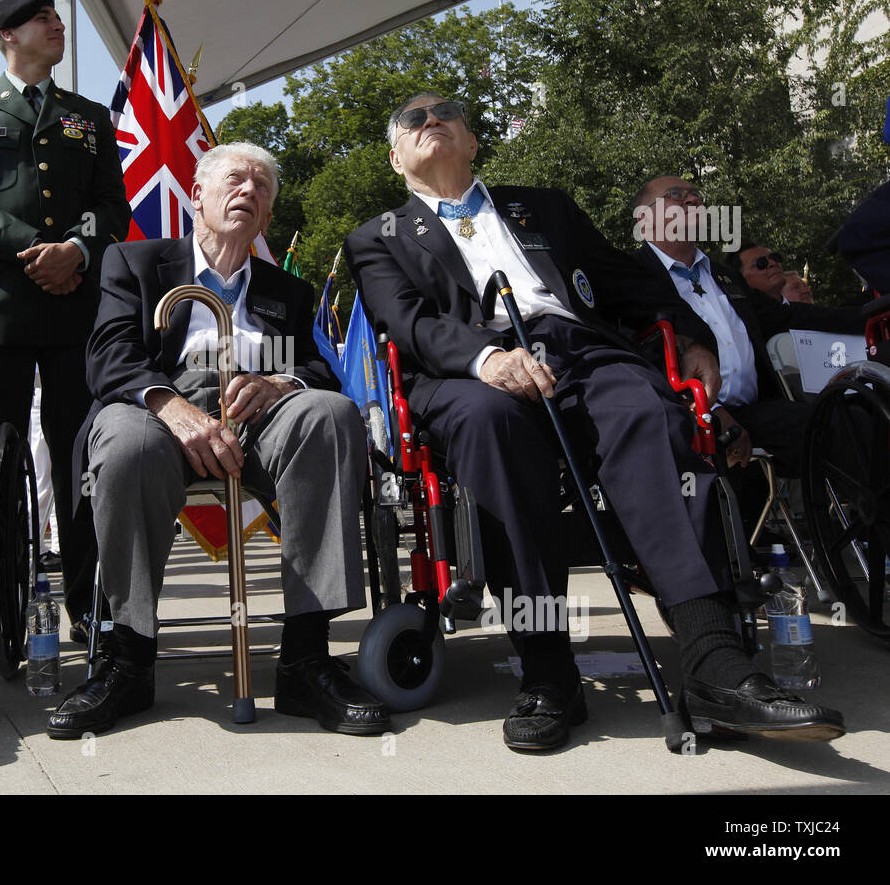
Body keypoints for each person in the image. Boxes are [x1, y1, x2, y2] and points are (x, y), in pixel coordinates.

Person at [345, 92, 844, 751]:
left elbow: (632, 285)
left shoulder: (545, 206)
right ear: (396, 157)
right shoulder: (375, 238)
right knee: (490, 427)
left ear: (471, 142)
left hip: (580, 349)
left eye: (447, 113)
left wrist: (693, 339)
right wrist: (488, 358)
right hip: (466, 371)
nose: (430, 119)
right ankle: (549, 671)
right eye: (413, 119)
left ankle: (714, 662)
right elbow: (406, 323)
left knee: (645, 409)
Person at [47, 143, 390, 739]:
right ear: (196, 194)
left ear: (267, 215)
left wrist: (280, 381)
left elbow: (320, 369)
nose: (250, 192)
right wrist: (171, 406)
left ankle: (306, 659)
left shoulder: (287, 291)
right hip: (157, 407)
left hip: (258, 416)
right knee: (127, 445)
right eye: (236, 179)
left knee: (331, 414)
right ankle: (126, 658)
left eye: (262, 187)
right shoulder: (135, 262)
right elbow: (109, 358)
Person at [0, 0, 131, 632]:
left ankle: (88, 603)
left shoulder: (88, 116)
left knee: (78, 456)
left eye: (57, 16)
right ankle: (0, 606)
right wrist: (38, 250)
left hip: (76, 308)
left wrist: (75, 250)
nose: (58, 25)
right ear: (7, 36)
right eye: (44, 18)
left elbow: (113, 209)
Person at [631, 175, 861, 477]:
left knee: (848, 418)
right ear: (645, 219)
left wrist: (868, 314)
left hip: (757, 412)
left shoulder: (726, 277)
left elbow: (790, 318)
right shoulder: (632, 277)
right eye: (676, 195)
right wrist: (710, 410)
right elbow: (637, 353)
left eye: (695, 194)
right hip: (684, 414)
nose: (693, 200)